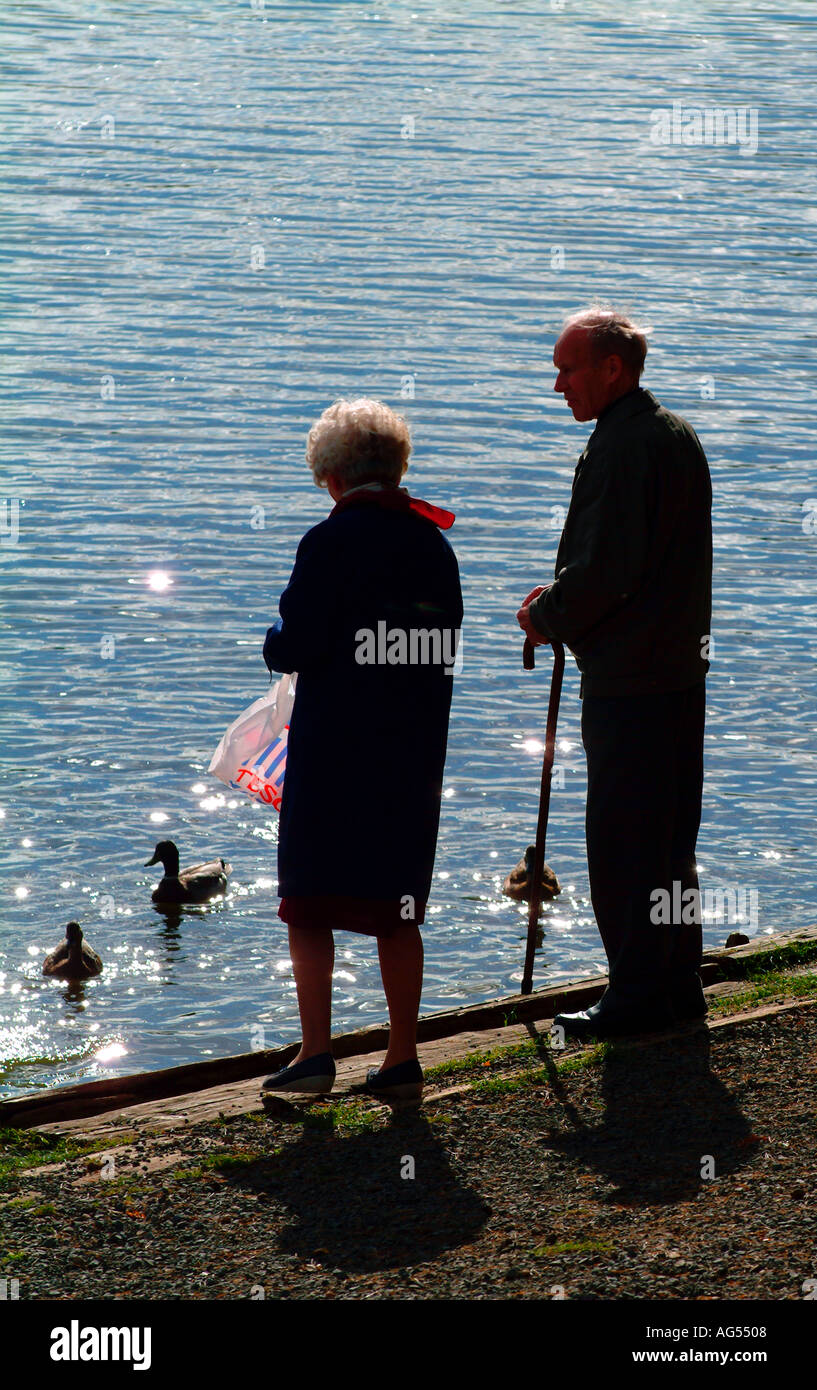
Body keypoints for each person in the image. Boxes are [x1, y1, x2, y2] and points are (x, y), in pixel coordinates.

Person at [517, 308, 712, 1039]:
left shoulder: (622, 446)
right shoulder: (672, 435)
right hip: (675, 672)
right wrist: (564, 599)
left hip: (631, 679)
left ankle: (633, 997)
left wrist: (548, 615)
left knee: (623, 842)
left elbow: (608, 572)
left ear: (611, 369)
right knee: (667, 842)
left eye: (567, 368)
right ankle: (676, 985)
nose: (556, 382)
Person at [262, 398, 463, 1099]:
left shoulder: (331, 541)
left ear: (331, 475)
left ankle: (316, 1055)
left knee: (309, 901)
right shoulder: (433, 545)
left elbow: (297, 644)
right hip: (410, 753)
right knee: (395, 907)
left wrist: (271, 641)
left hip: (335, 751)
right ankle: (401, 1058)